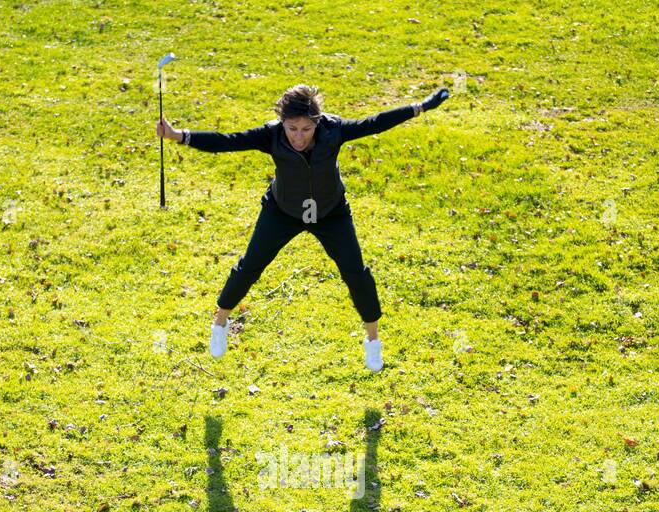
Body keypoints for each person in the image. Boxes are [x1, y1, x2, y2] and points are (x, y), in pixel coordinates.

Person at [156, 83, 449, 370]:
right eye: (292, 128)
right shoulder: (270, 135)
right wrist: (178, 136)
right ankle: (220, 321)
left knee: (356, 274)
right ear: (282, 122)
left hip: (330, 212)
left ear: (316, 123)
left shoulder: (334, 130)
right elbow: (228, 141)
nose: (298, 137)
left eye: (306, 129)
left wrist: (421, 107)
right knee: (250, 267)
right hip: (283, 210)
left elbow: (376, 123)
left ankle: (372, 341)